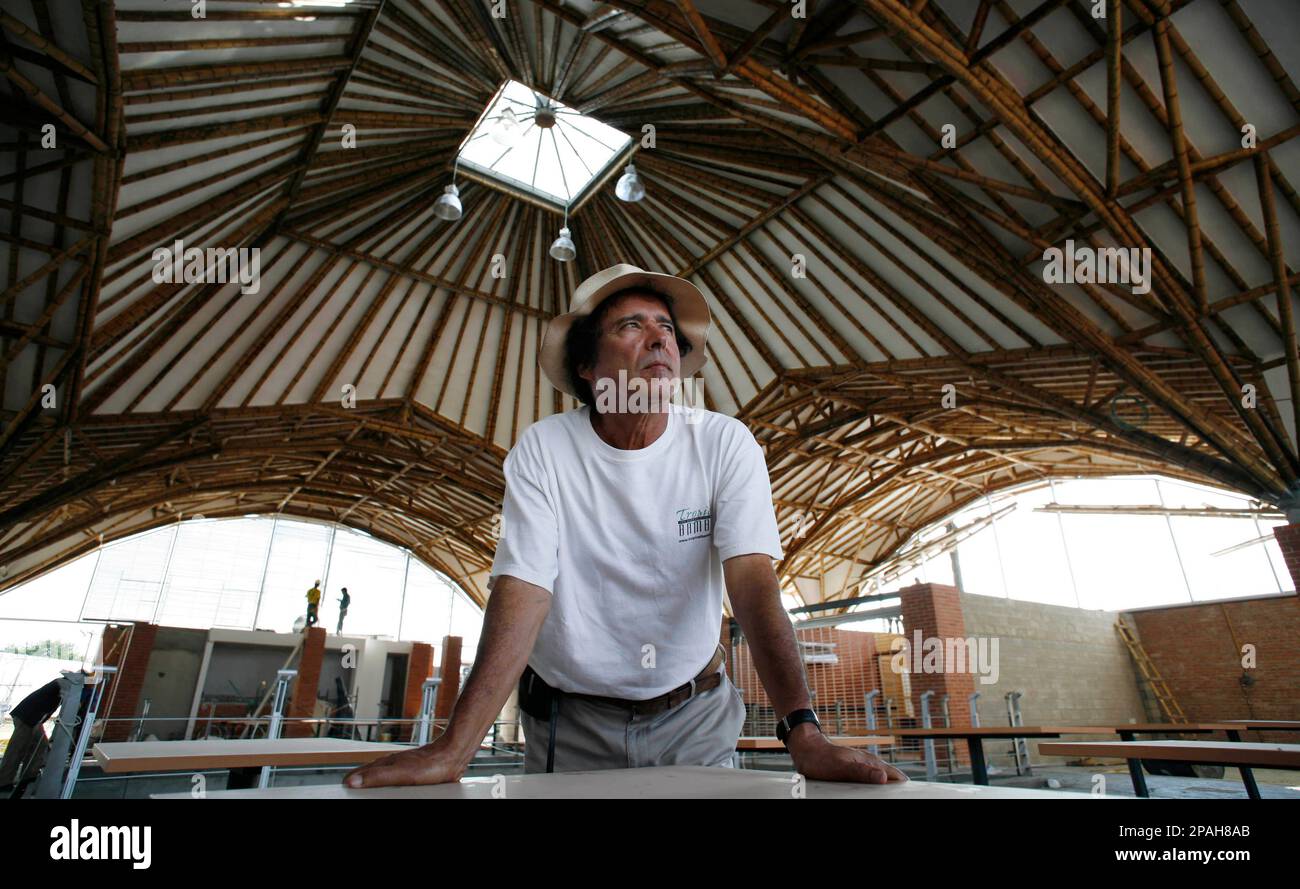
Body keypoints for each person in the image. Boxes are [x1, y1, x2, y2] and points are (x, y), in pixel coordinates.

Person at [344, 263, 907, 789]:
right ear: (588, 368)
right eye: (631, 326)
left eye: (665, 328)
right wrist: (455, 749)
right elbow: (523, 589)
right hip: (572, 721)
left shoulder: (722, 444)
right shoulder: (546, 451)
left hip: (694, 714)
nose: (659, 338)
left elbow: (753, 587)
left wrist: (802, 731)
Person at [0, 671, 93, 793]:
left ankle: (28, 777)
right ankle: (4, 782)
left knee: (40, 746)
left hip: (34, 719)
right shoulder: (63, 683)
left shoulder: (62, 682)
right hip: (27, 717)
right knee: (17, 749)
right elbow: (70, 701)